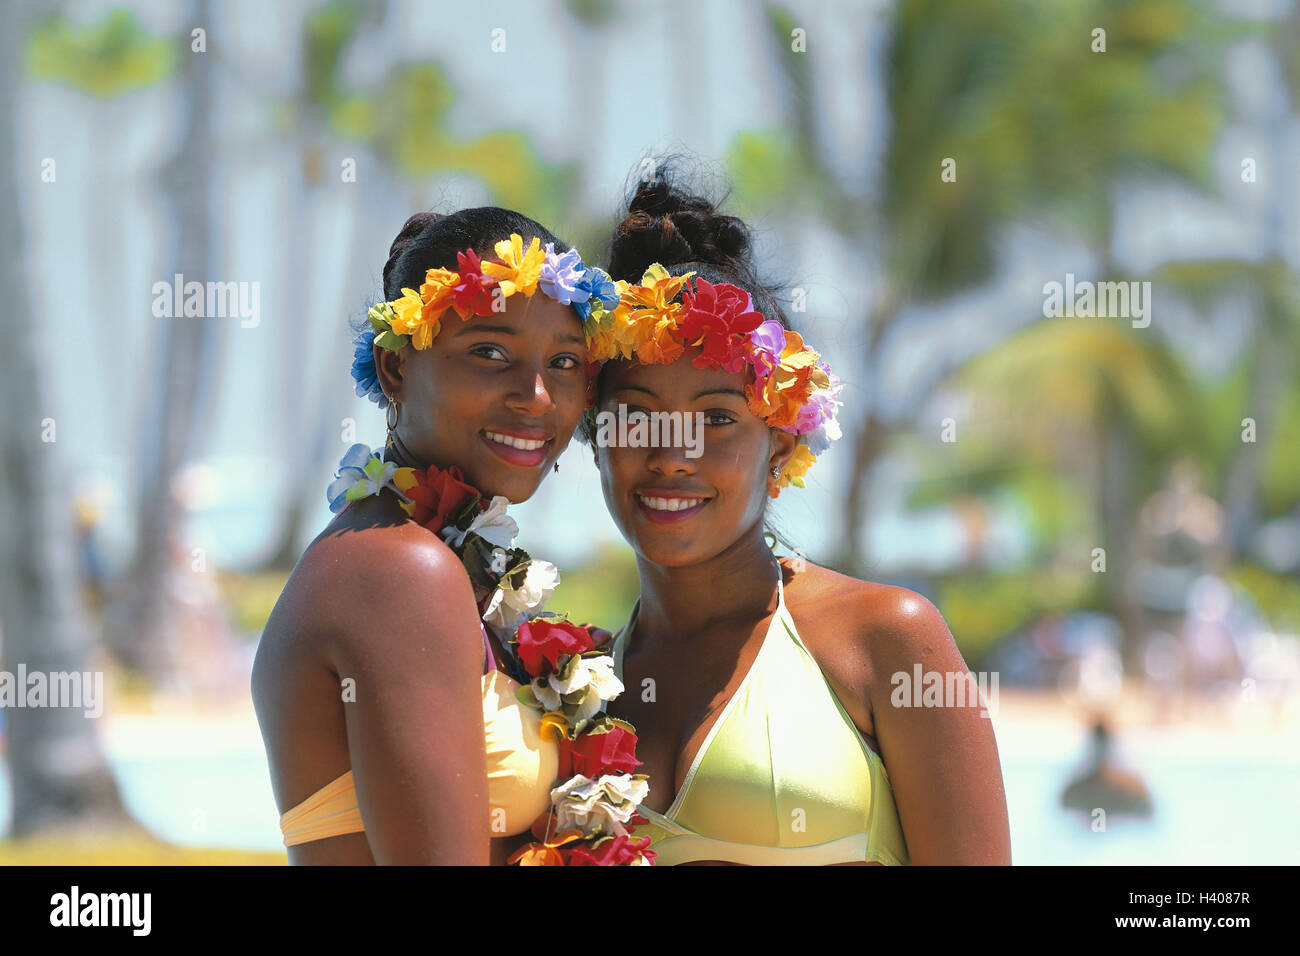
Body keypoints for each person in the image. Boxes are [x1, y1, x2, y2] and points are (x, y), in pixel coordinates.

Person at [584, 166, 1013, 865]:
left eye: (717, 417)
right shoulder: (587, 680)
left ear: (779, 446)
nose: (672, 455)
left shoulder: (882, 639)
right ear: (595, 436)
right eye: (636, 416)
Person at [253, 208, 612, 864]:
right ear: (394, 369)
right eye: (490, 353)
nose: (535, 395)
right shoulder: (398, 571)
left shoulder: (443, 562)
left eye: (564, 361)